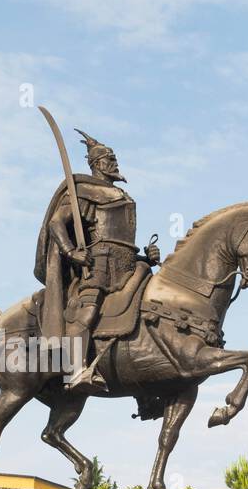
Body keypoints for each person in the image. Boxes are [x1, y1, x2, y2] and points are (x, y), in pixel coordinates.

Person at [34, 130, 159, 390]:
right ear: (96, 164)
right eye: (108, 159)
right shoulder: (84, 192)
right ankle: (77, 369)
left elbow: (119, 240)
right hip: (98, 264)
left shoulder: (124, 197)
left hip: (128, 264)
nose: (114, 163)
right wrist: (71, 252)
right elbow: (57, 223)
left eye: (114, 158)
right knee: (89, 308)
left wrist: (147, 256)